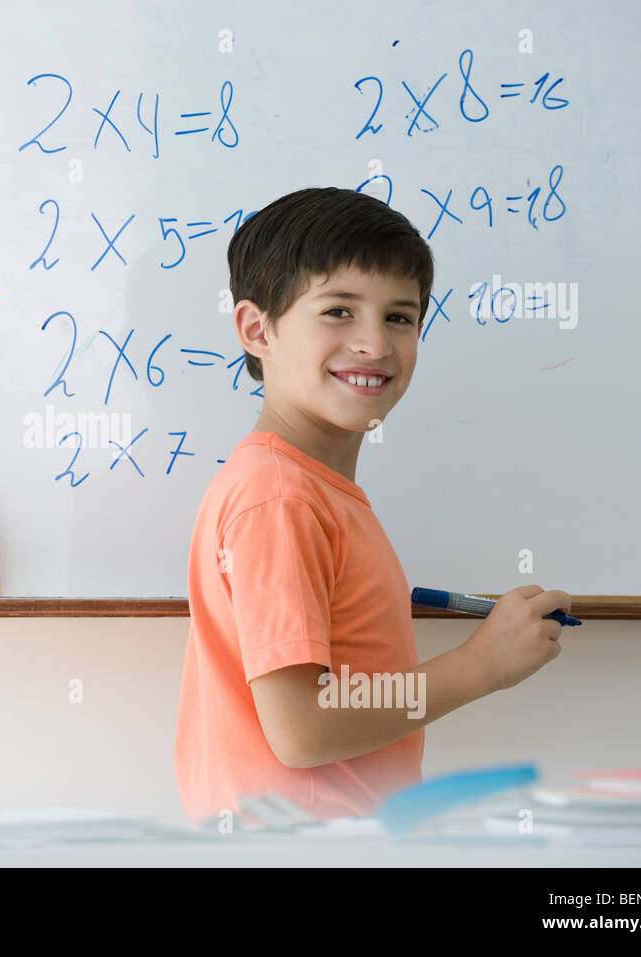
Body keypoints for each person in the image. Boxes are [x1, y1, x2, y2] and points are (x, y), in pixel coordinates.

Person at [175, 187, 571, 826]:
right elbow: (300, 730)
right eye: (338, 310)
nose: (374, 344)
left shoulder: (310, 491)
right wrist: (480, 666)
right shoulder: (279, 497)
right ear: (257, 330)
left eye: (399, 317)